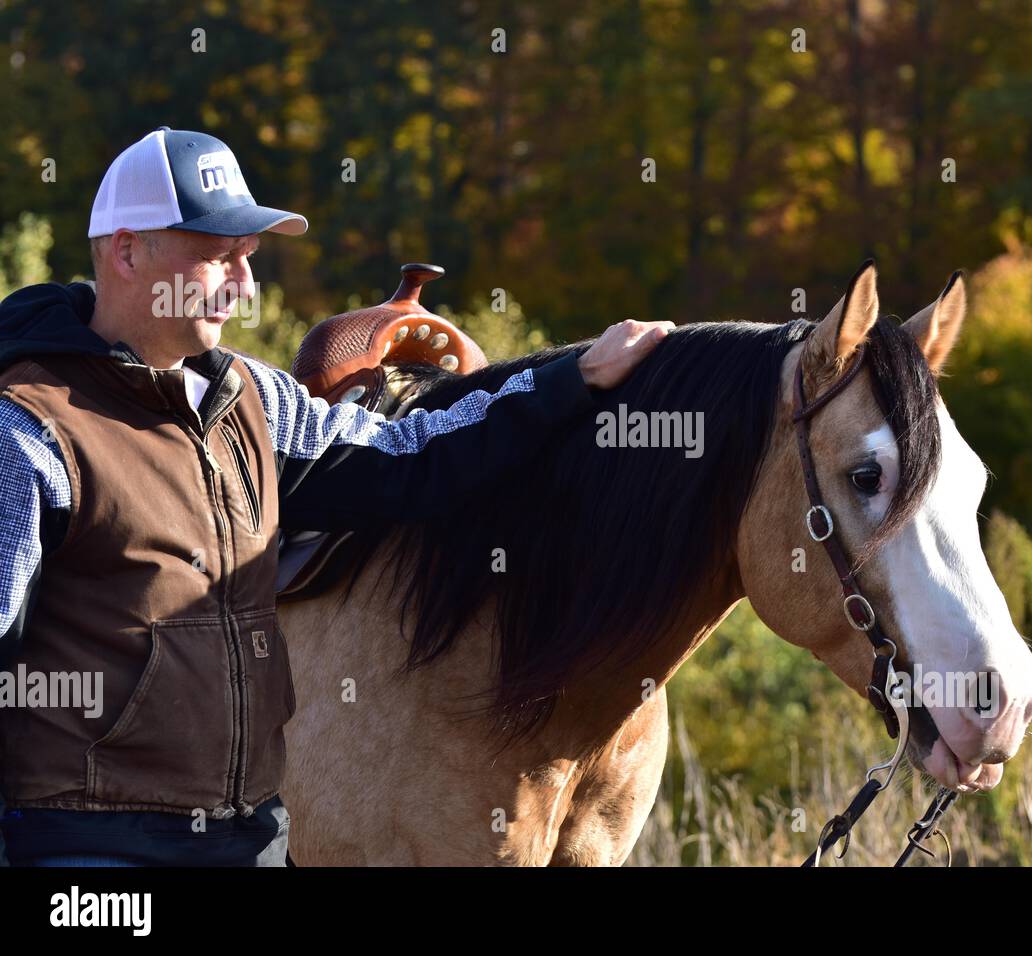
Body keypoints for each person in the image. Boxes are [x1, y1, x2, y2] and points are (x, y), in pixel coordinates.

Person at [0, 127, 672, 866]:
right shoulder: (29, 428)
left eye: (247, 259)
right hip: (86, 854)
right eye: (217, 255)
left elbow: (410, 455)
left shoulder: (249, 401)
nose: (243, 286)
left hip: (248, 839)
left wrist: (566, 381)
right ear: (128, 251)